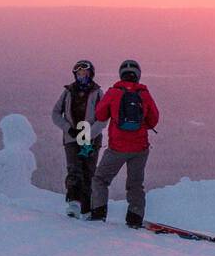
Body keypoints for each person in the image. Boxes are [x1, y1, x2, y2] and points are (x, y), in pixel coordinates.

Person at [90, 59, 160, 227]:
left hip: (117, 148)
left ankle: (98, 214)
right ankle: (135, 218)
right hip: (140, 148)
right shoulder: (144, 94)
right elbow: (154, 120)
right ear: (138, 75)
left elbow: (100, 115)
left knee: (100, 179)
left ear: (121, 74)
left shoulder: (114, 92)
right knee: (135, 184)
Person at [50, 59, 106, 219]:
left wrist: (89, 134)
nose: (82, 76)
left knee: (89, 173)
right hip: (71, 138)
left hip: (91, 140)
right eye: (79, 73)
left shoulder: (97, 93)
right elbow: (55, 113)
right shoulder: (68, 92)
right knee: (74, 170)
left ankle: (87, 209)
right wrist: (68, 129)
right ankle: (73, 203)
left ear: (91, 74)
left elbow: (102, 118)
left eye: (85, 73)